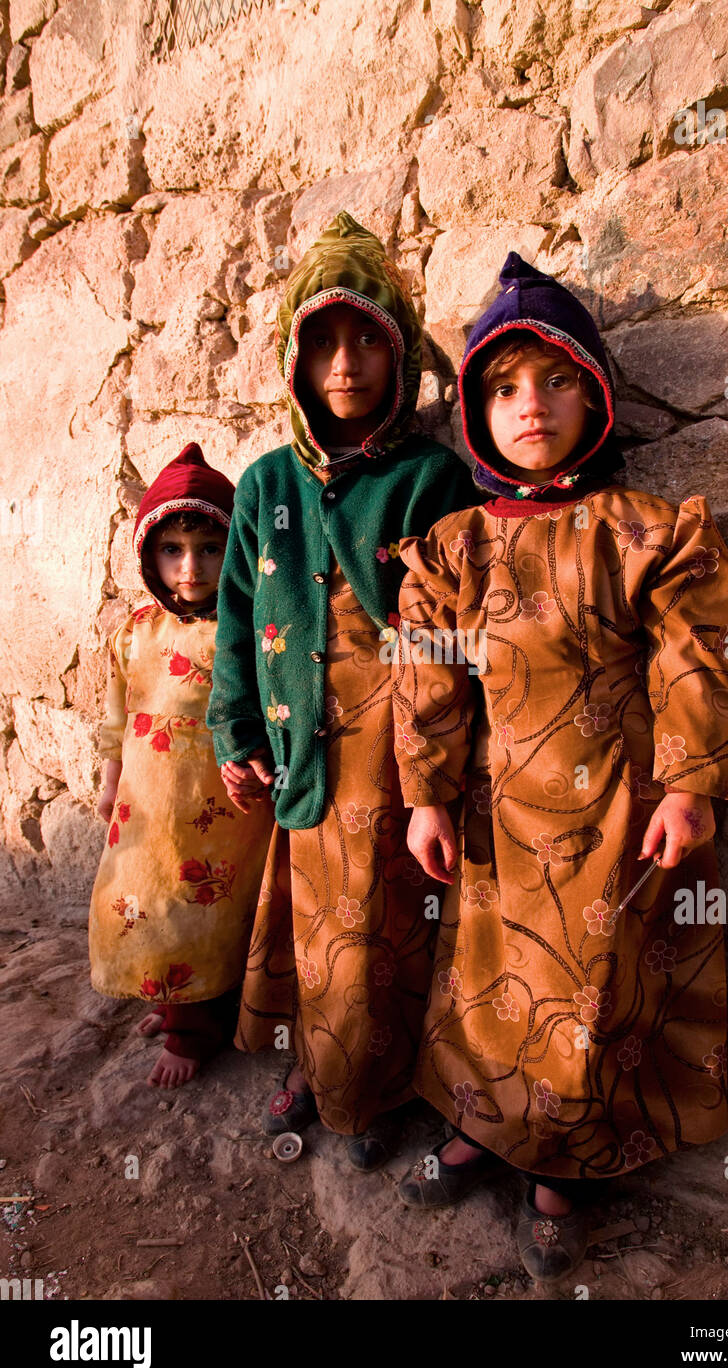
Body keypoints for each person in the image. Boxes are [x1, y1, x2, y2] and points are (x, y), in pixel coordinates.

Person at [392, 253, 728, 1280]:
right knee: (480, 982)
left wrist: (686, 784)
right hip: (495, 811)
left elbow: (692, 652)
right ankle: (474, 1127)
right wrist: (423, 793)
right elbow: (429, 675)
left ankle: (560, 1167)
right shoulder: (454, 550)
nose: (528, 406)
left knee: (589, 993)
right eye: (500, 388)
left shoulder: (639, 534)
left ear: (593, 394)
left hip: (608, 819)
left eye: (551, 380)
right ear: (471, 414)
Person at [206, 212, 479, 1169]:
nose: (346, 361)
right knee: (307, 920)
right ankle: (315, 1069)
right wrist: (234, 728)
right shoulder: (262, 484)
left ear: (400, 352)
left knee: (378, 925)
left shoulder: (432, 480)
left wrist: (436, 769)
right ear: (292, 359)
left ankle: (365, 1093)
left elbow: (450, 631)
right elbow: (237, 621)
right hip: (299, 748)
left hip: (393, 747)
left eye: (368, 336)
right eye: (320, 338)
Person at [89, 444, 273, 1088]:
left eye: (209, 548)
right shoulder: (135, 631)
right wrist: (111, 787)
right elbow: (116, 717)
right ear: (150, 556)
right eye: (172, 549)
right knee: (145, 904)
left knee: (206, 916)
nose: (190, 567)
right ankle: (169, 1000)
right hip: (148, 806)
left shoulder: (244, 629)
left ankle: (193, 1028)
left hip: (221, 816)